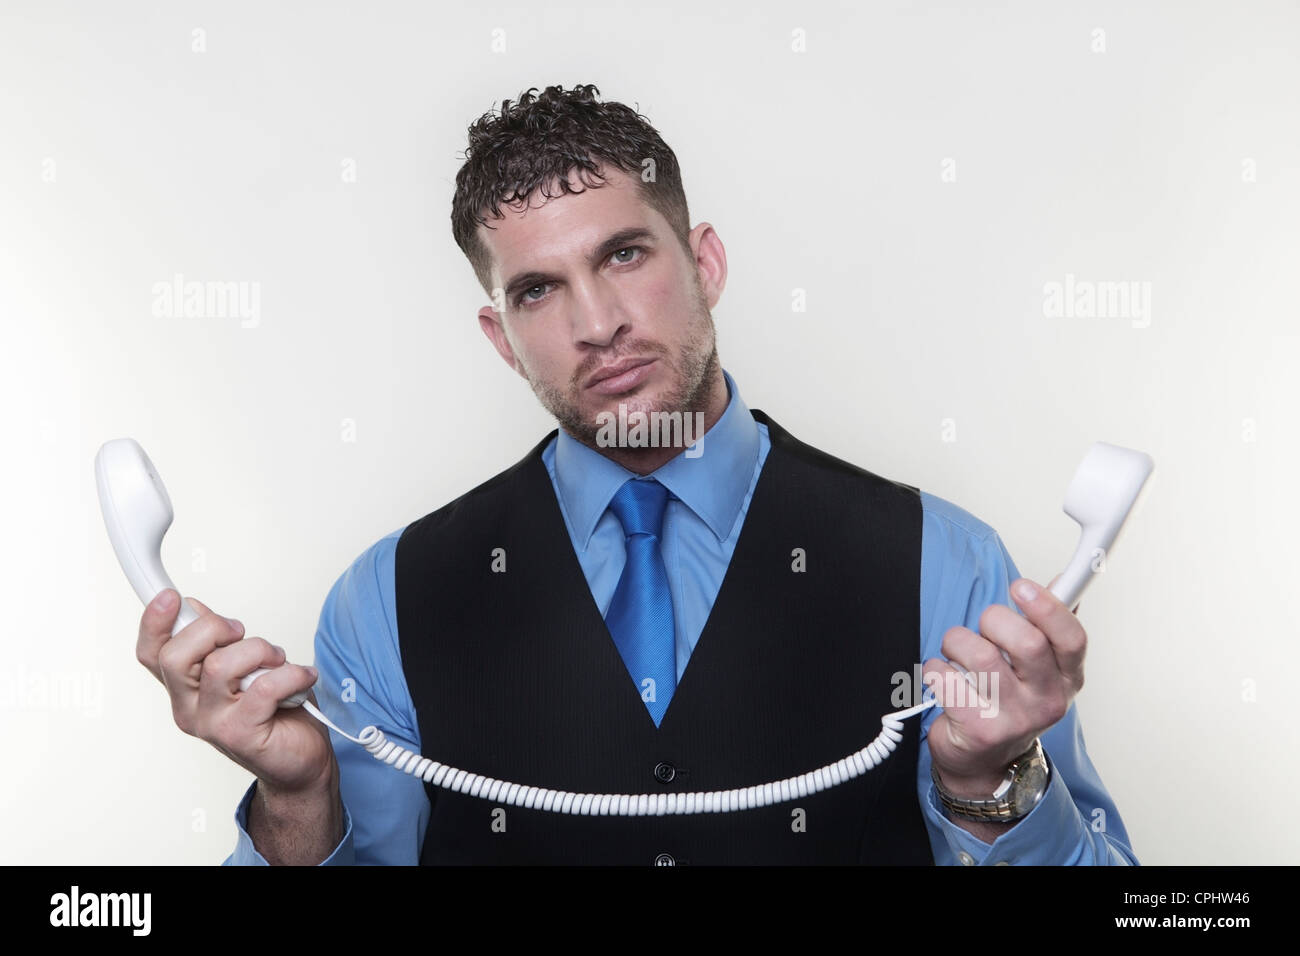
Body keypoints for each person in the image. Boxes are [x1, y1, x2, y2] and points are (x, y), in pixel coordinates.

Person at [136, 84, 1138, 866]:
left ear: (703, 262)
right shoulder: (385, 601)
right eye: (537, 288)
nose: (595, 322)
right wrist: (300, 804)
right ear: (500, 336)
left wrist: (990, 781)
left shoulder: (944, 562)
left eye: (622, 254)